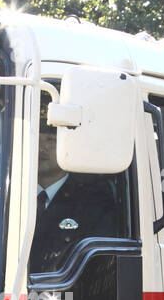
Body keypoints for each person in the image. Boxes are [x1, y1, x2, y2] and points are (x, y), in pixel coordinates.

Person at [29, 100, 125, 273]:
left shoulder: (92, 204)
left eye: (51, 139)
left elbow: (102, 266)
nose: (41, 147)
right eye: (38, 138)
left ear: (69, 148)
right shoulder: (11, 195)